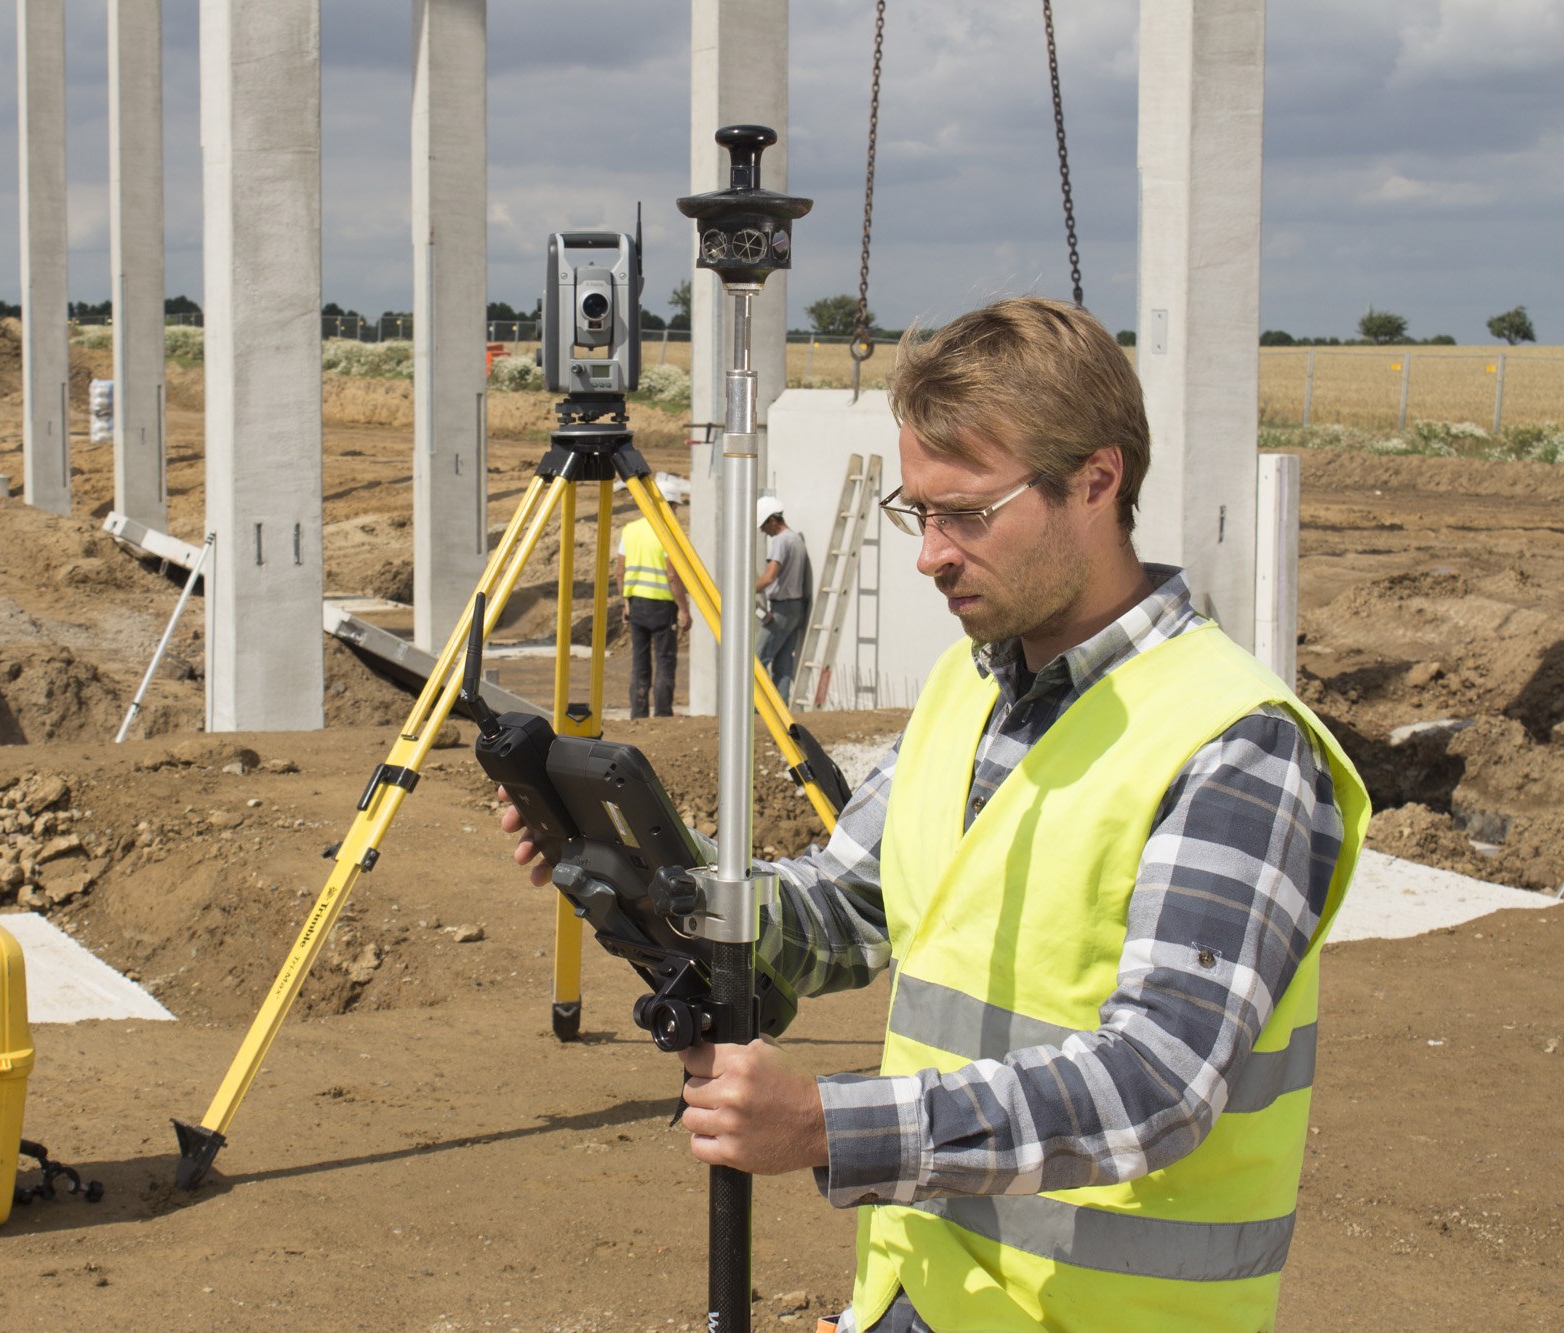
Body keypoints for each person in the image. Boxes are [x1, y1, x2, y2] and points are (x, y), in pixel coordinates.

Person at [504, 296, 1369, 1333]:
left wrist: (829, 1125)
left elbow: (1162, 1081)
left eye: (966, 513)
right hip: (921, 1293)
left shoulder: (1231, 742)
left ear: (1095, 481)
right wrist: (655, 873)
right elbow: (842, 908)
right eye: (919, 513)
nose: (929, 555)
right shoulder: (971, 688)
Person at [613, 514, 691, 718]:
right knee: (664, 660)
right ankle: (663, 714)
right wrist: (683, 608)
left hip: (636, 605)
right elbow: (672, 575)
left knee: (640, 661)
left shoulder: (630, 529)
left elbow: (620, 572)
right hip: (662, 605)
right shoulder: (666, 530)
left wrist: (625, 604)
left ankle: (638, 713)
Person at [755, 496, 811, 696]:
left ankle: (754, 713)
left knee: (756, 661)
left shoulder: (780, 541)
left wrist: (747, 590)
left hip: (782, 609)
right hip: (796, 609)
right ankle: (782, 715)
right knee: (783, 665)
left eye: (763, 525)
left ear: (772, 520)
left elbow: (769, 577)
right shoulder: (796, 539)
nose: (762, 531)